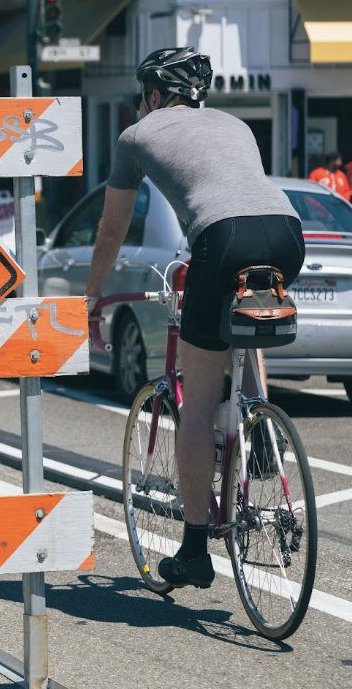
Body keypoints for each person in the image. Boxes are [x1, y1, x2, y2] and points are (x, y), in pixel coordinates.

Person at [85, 47, 305, 590]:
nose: (139, 105)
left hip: (220, 238)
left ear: (156, 94)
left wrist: (91, 298)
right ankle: (257, 426)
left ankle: (193, 551)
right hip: (287, 231)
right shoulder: (235, 125)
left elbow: (111, 231)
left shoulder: (136, 136)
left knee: (199, 400)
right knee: (244, 316)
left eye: (142, 96)